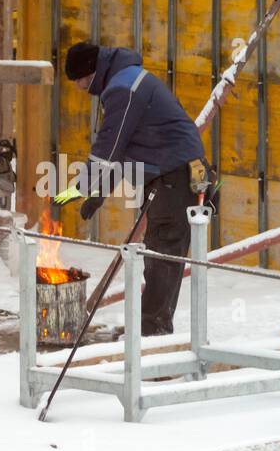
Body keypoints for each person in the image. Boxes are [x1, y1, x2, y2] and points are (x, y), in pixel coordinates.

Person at [58, 41, 212, 336]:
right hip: (168, 174)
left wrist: (81, 187)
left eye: (78, 80)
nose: (78, 87)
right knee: (158, 255)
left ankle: (152, 335)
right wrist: (97, 193)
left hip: (176, 175)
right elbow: (123, 152)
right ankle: (150, 329)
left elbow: (108, 148)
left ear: (91, 72)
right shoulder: (125, 80)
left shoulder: (122, 89)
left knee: (162, 256)